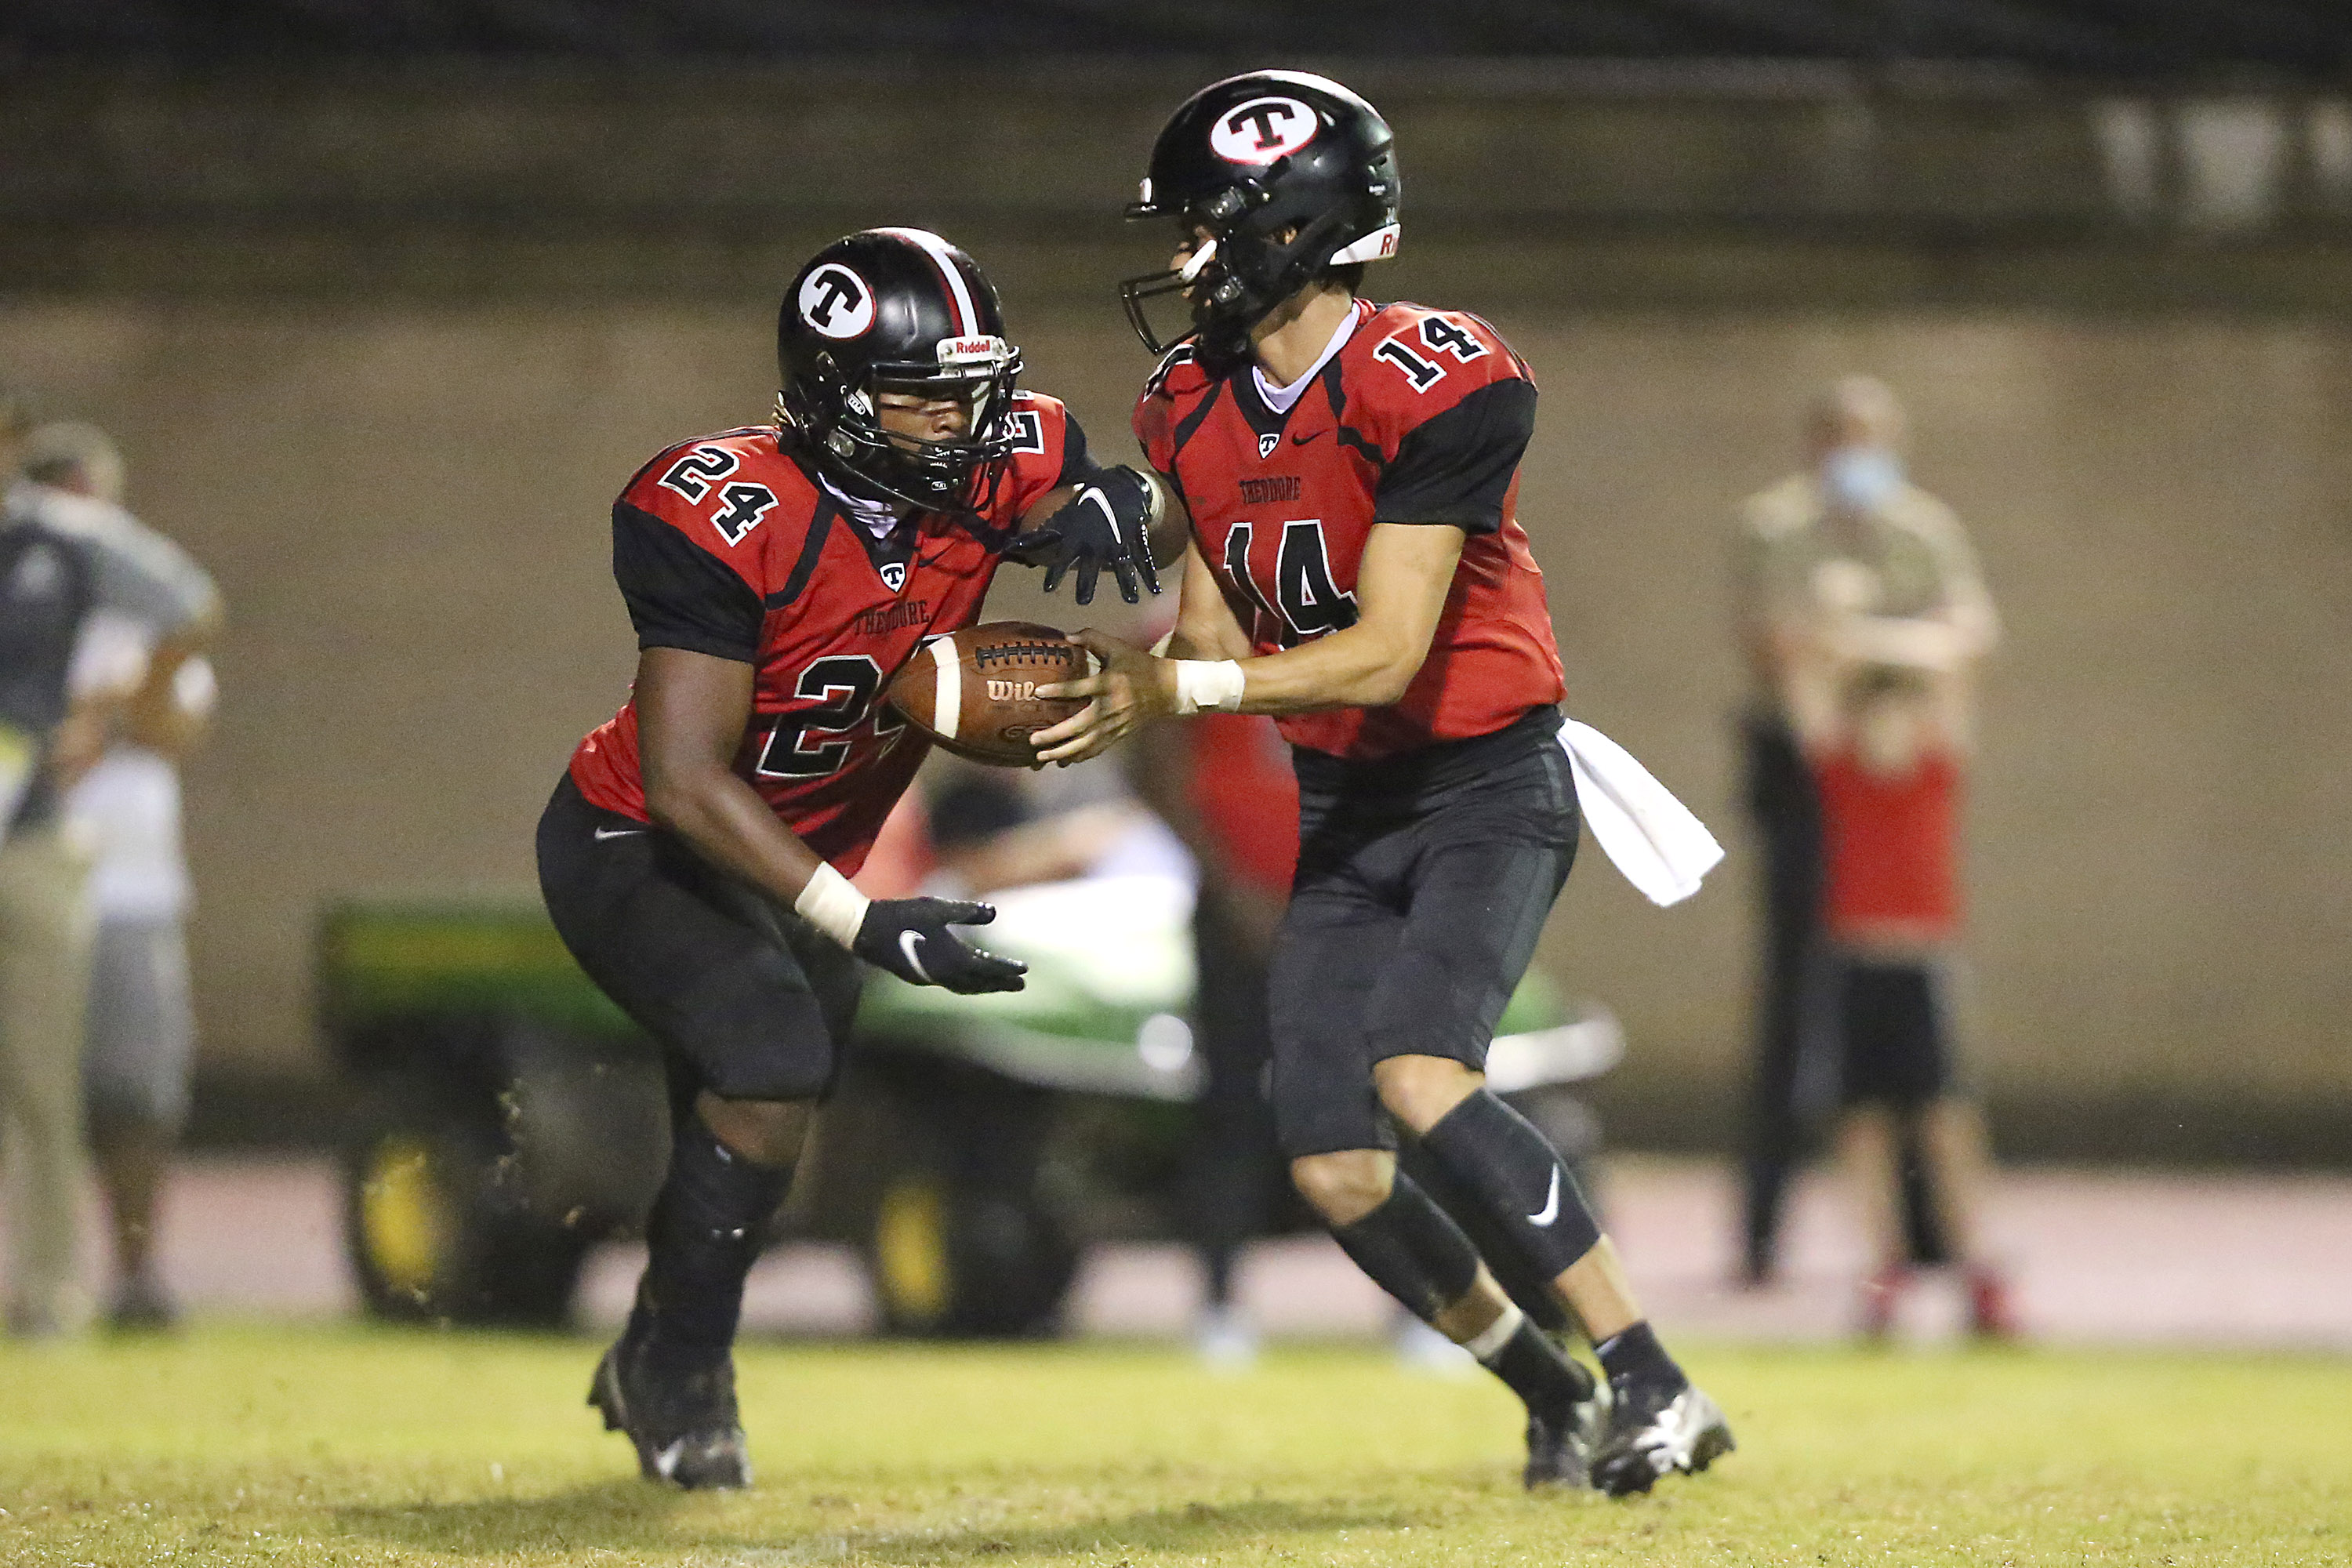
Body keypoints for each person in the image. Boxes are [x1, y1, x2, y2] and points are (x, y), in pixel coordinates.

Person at [1033, 71, 1732, 1496]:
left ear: (1287, 230)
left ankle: (1654, 1380)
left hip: (1487, 782)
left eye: (1202, 231)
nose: (1180, 262)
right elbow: (1220, 620)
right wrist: (1118, 676)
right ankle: (1551, 1392)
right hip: (1348, 806)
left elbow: (1383, 650)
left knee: (1423, 1072)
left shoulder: (1444, 377)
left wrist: (1180, 689)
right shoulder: (1185, 403)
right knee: (1336, 1170)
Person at [536, 227, 1159, 1489]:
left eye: (973, 389)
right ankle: (687, 1369)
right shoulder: (721, 511)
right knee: (772, 1061)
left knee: (759, 1108)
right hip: (646, 842)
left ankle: (662, 1346)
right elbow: (685, 778)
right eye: (922, 394)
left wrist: (1119, 494)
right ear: (830, 394)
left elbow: (1107, 497)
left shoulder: (1004, 450)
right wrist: (863, 917)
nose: (962, 421)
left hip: (807, 846)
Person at [1733, 376, 1999, 1287]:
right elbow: (1780, 644)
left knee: (1926, 1068)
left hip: (1899, 747)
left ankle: (1934, 1240)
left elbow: (1972, 632)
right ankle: (1766, 1233)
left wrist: (1857, 639)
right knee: (1796, 1006)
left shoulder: (1924, 527)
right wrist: (1899, 641)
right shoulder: (1775, 526)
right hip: (1808, 779)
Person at [1, 396, 218, 1338]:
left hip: (110, 871)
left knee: (122, 1090)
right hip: (42, 842)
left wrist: (111, 709)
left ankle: (125, 1276)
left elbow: (181, 722)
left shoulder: (127, 621)